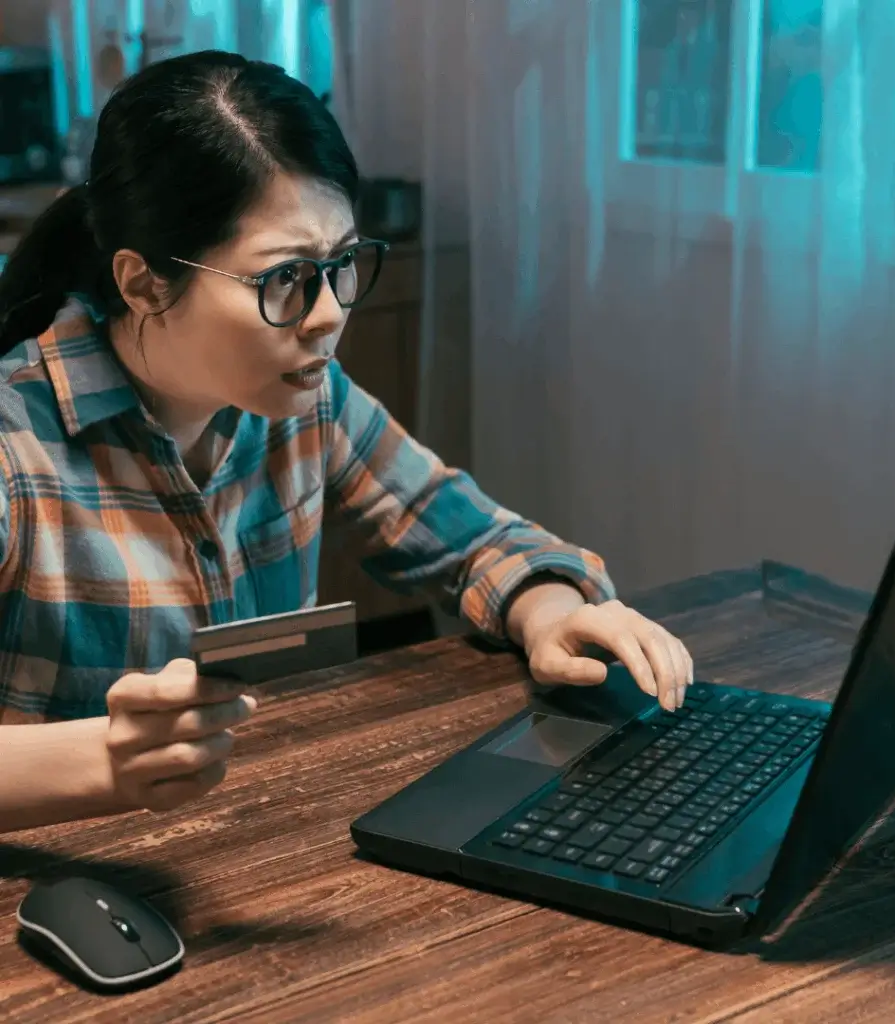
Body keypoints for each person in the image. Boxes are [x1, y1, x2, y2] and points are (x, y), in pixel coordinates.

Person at [0, 51, 692, 834]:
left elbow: (471, 537)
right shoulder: (15, 450)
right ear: (144, 283)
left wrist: (548, 610)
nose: (329, 314)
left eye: (342, 266)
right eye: (285, 278)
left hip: (262, 845)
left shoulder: (304, 401)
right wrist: (101, 762)